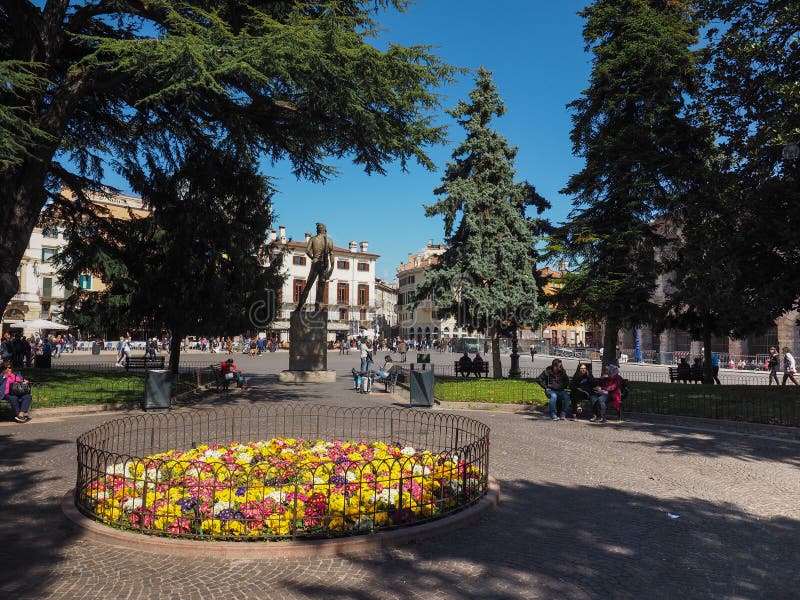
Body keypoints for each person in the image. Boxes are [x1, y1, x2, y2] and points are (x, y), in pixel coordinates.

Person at [296, 222, 335, 310]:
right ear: (324, 230)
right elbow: (331, 254)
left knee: (308, 285)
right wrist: (332, 267)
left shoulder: (313, 239)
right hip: (325, 264)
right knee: (321, 286)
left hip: (315, 262)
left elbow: (307, 251)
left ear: (317, 230)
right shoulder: (329, 240)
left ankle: (300, 306)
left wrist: (313, 257)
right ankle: (318, 306)